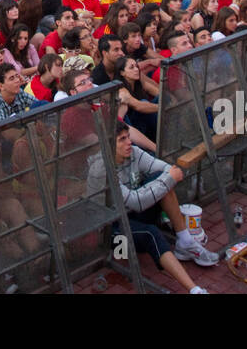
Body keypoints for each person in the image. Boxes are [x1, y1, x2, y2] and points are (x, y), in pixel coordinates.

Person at [86, 124, 216, 294]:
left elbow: (164, 168)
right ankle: (195, 290)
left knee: (162, 180)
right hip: (112, 232)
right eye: (122, 139)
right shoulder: (101, 170)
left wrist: (167, 178)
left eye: (128, 136)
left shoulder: (133, 153)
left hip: (132, 213)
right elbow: (135, 202)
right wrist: (167, 180)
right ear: (109, 145)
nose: (129, 143)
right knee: (151, 232)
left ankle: (185, 241)